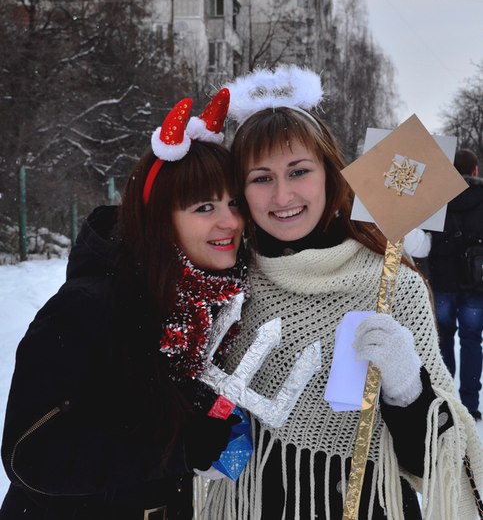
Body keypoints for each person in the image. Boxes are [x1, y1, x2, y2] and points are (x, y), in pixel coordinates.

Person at [203, 65, 483, 520]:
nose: (283, 196)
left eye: (298, 171)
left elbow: (437, 465)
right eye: (262, 178)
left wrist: (407, 389)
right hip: (245, 507)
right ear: (241, 190)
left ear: (329, 174)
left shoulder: (394, 285)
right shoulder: (229, 283)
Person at [0, 90, 248, 520]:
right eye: (204, 207)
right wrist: (174, 449)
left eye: (234, 203)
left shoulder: (215, 303)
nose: (229, 221)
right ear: (160, 220)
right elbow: (30, 454)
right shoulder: (86, 309)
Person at [428, 148, 483, 421]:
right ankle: (470, 405)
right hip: (475, 280)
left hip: (443, 279)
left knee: (444, 338)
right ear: (475, 170)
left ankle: (447, 399)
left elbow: (428, 238)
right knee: (472, 340)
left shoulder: (438, 198)